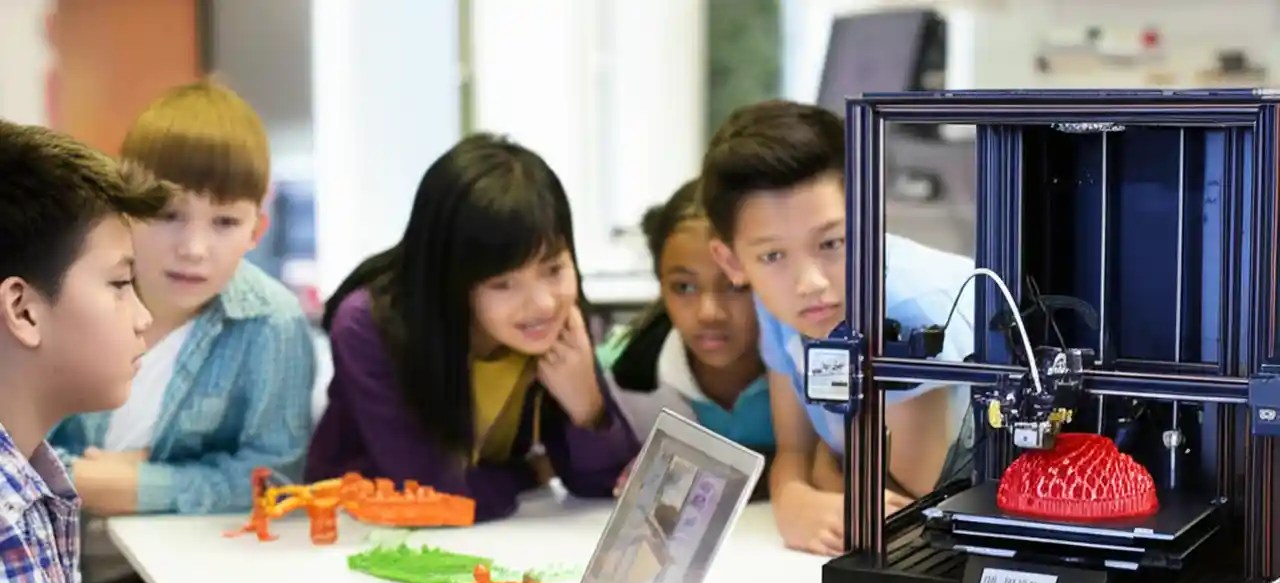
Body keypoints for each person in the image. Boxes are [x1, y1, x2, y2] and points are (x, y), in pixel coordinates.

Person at [49, 80, 317, 583]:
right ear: (124, 209)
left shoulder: (272, 323)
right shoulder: (73, 299)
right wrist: (85, 480)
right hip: (61, 559)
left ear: (257, 229)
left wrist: (138, 484)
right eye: (168, 214)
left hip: (194, 563)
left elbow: (273, 479)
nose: (194, 248)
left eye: (225, 222)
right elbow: (15, 447)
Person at [306, 133, 639, 521]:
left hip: (491, 536)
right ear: (450, 277)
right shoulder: (371, 326)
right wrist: (530, 472)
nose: (545, 303)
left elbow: (612, 484)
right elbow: (429, 495)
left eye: (554, 269)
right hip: (349, 532)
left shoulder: (554, 323)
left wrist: (588, 407)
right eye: (503, 283)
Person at [702, 100, 975, 556]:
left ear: (870, 219)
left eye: (832, 242)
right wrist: (793, 501)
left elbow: (908, 509)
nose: (809, 283)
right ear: (732, 262)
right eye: (773, 255)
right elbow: (793, 450)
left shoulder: (910, 312)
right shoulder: (778, 302)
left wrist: (821, 477)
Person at [0, 118, 170, 583]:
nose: (143, 317)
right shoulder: (6, 524)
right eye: (120, 283)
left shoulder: (32, 485)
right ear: (23, 309)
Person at [598, 179, 773, 495]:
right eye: (684, 287)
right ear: (661, 286)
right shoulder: (622, 374)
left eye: (736, 285)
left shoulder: (810, 369)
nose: (709, 313)